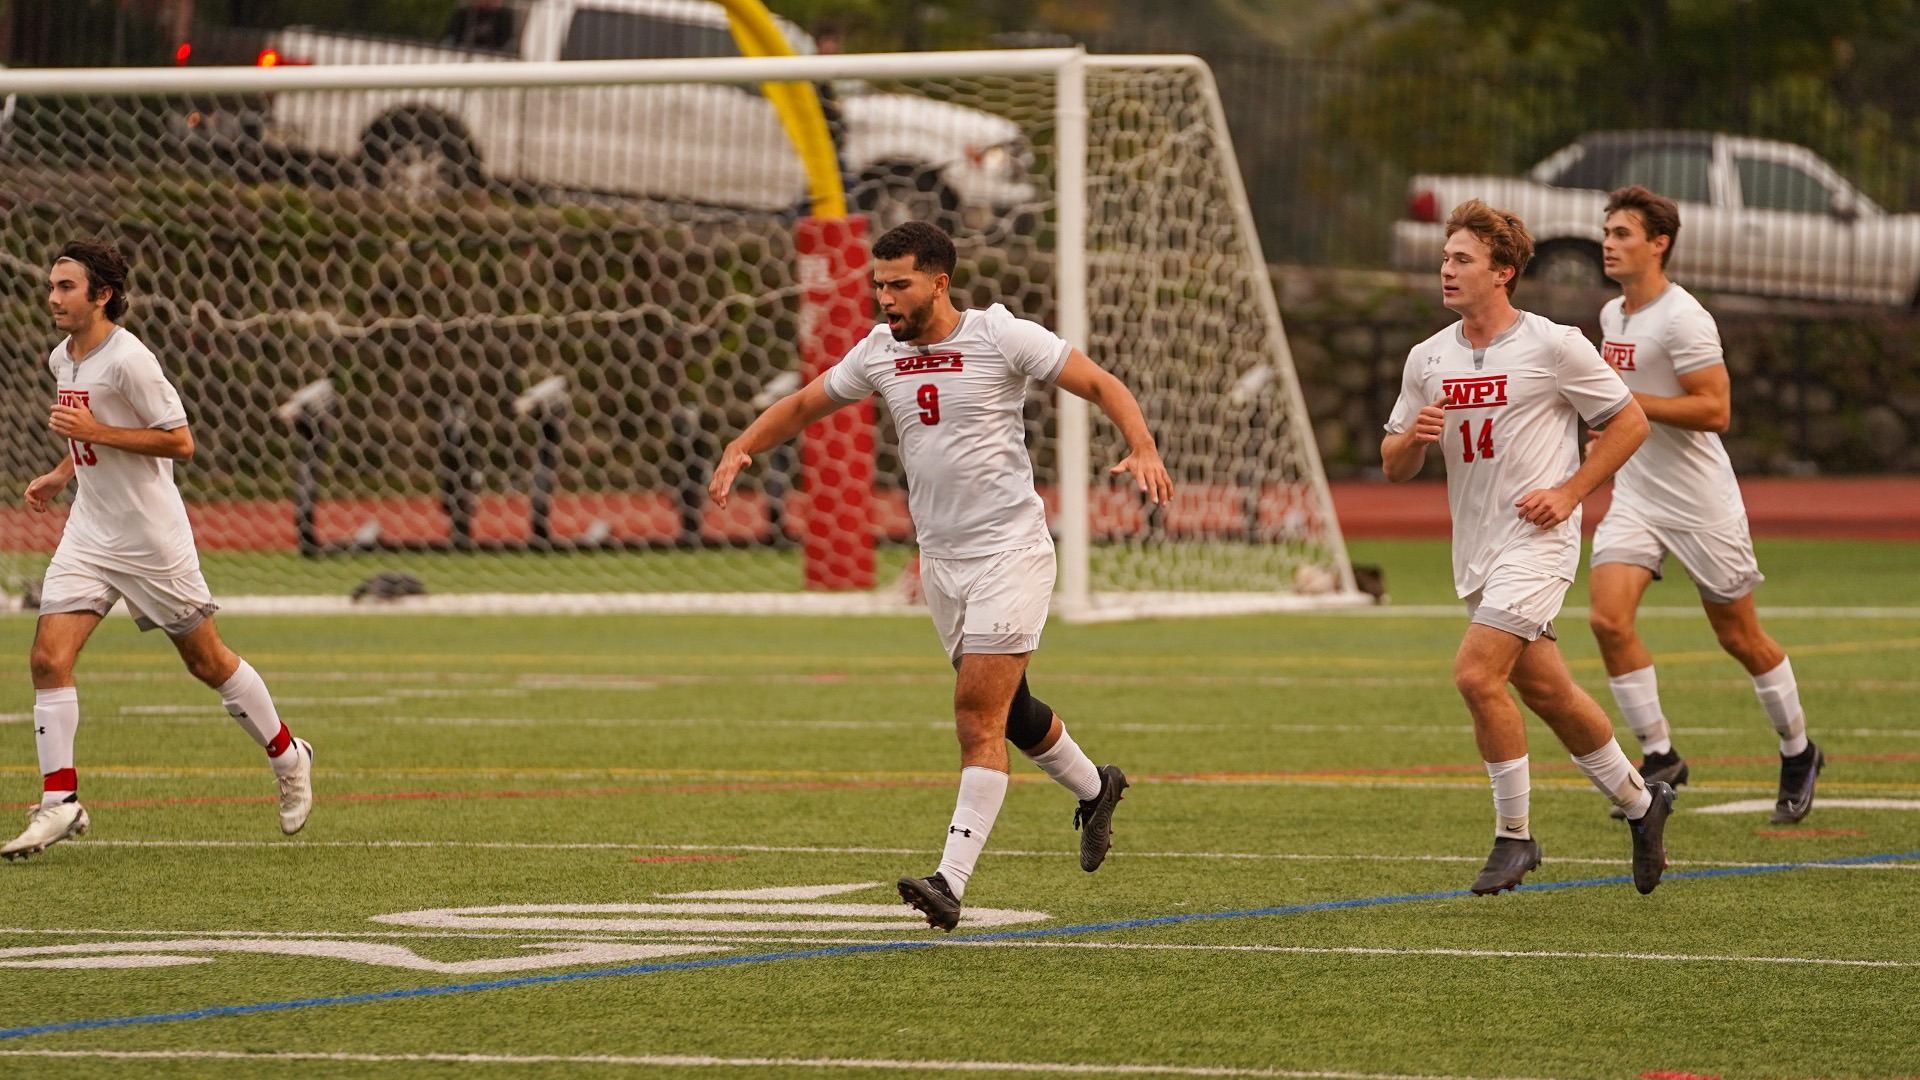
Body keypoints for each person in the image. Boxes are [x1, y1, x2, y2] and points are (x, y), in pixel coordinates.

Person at [710, 221, 1171, 930]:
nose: (886, 299)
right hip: (942, 564)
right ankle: (1095, 787)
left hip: (1010, 552)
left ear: (939, 283)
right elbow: (806, 404)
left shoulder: (999, 336)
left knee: (974, 716)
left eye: (899, 285)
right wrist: (744, 445)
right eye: (879, 285)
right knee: (1011, 711)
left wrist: (1140, 444)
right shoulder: (878, 352)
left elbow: (1101, 382)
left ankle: (949, 881)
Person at [1381, 200, 1671, 895]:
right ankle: (1641, 801)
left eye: (1462, 259)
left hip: (1538, 545)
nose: (1446, 270)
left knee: (1477, 676)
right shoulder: (1428, 357)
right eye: (1446, 258)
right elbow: (1393, 466)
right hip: (1477, 552)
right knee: (1545, 689)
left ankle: (1515, 837)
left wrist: (1571, 492)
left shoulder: (1554, 344)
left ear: (1503, 272)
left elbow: (1630, 424)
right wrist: (1410, 439)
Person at [2, 240, 313, 862]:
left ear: (102, 296)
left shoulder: (130, 359)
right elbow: (87, 433)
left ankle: (287, 754)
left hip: (150, 540)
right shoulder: (62, 358)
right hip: (90, 531)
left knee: (206, 662)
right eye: (52, 285)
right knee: (46, 659)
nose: (53, 297)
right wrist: (65, 471)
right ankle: (60, 802)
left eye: (67, 287)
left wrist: (93, 435)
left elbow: (180, 442)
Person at [1587, 185, 1822, 824]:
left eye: (1622, 234)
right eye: (1606, 233)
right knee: (1608, 621)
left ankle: (1798, 751)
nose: (1608, 243)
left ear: (1659, 243)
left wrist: (1626, 407)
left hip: (1699, 502)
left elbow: (1714, 409)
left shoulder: (1683, 317)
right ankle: (1660, 757)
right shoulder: (1614, 317)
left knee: (1738, 636)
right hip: (1635, 494)